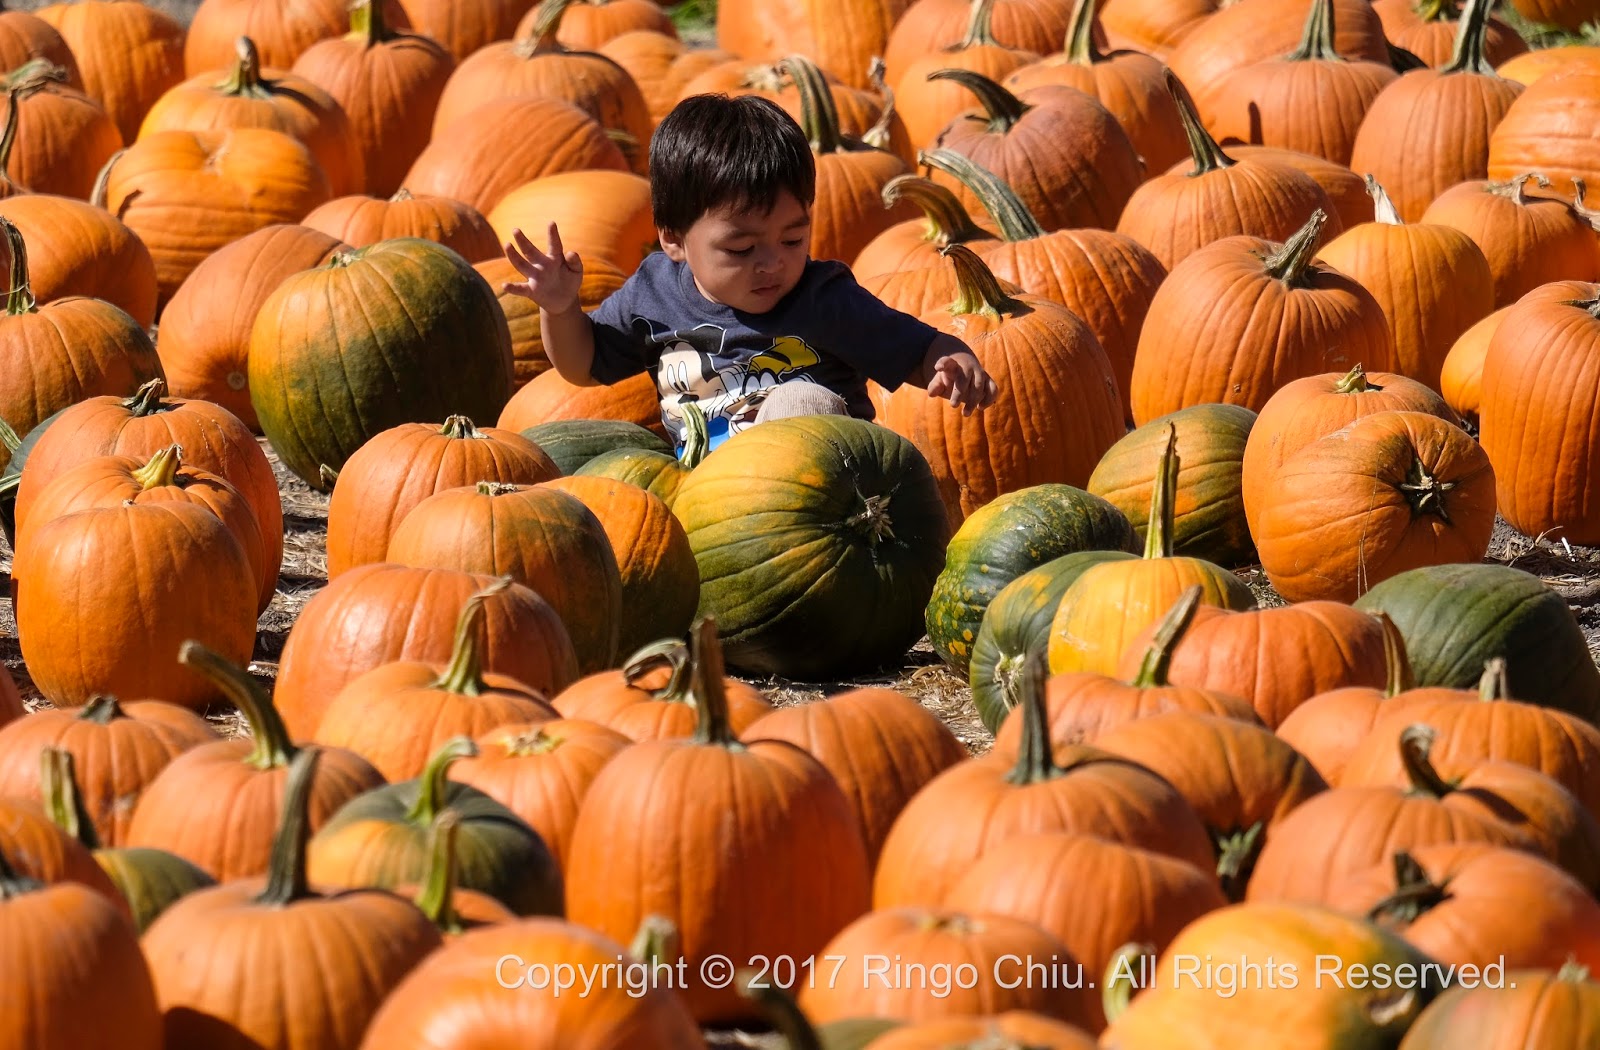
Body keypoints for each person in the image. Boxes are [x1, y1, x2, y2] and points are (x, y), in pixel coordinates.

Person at [501, 92, 997, 453]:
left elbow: (915, 349)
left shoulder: (824, 299)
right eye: (740, 248)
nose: (773, 263)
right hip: (720, 515)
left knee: (803, 401)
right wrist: (561, 308)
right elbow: (582, 365)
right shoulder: (652, 295)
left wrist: (950, 360)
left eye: (792, 239)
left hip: (832, 502)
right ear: (673, 239)